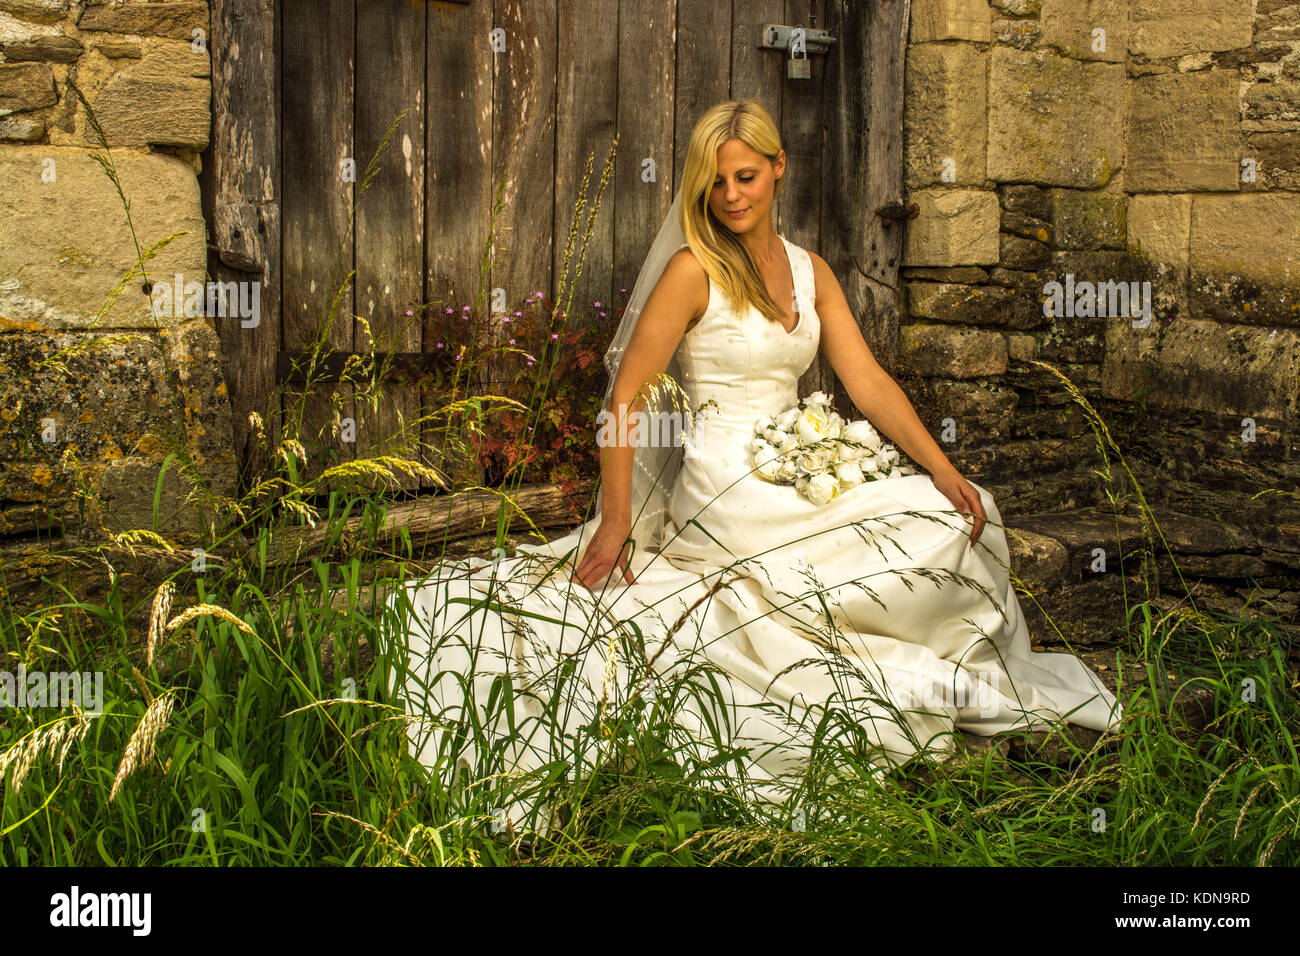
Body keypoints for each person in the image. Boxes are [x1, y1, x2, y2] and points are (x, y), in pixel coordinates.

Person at [382, 99, 1123, 834]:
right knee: (812, 570)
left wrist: (941, 467)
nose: (730, 196)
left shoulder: (811, 271)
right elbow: (627, 395)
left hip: (804, 456)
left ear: (778, 169)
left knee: (955, 516)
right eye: (714, 182)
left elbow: (863, 380)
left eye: (745, 177)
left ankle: (933, 649)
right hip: (724, 480)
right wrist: (615, 522)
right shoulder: (691, 270)